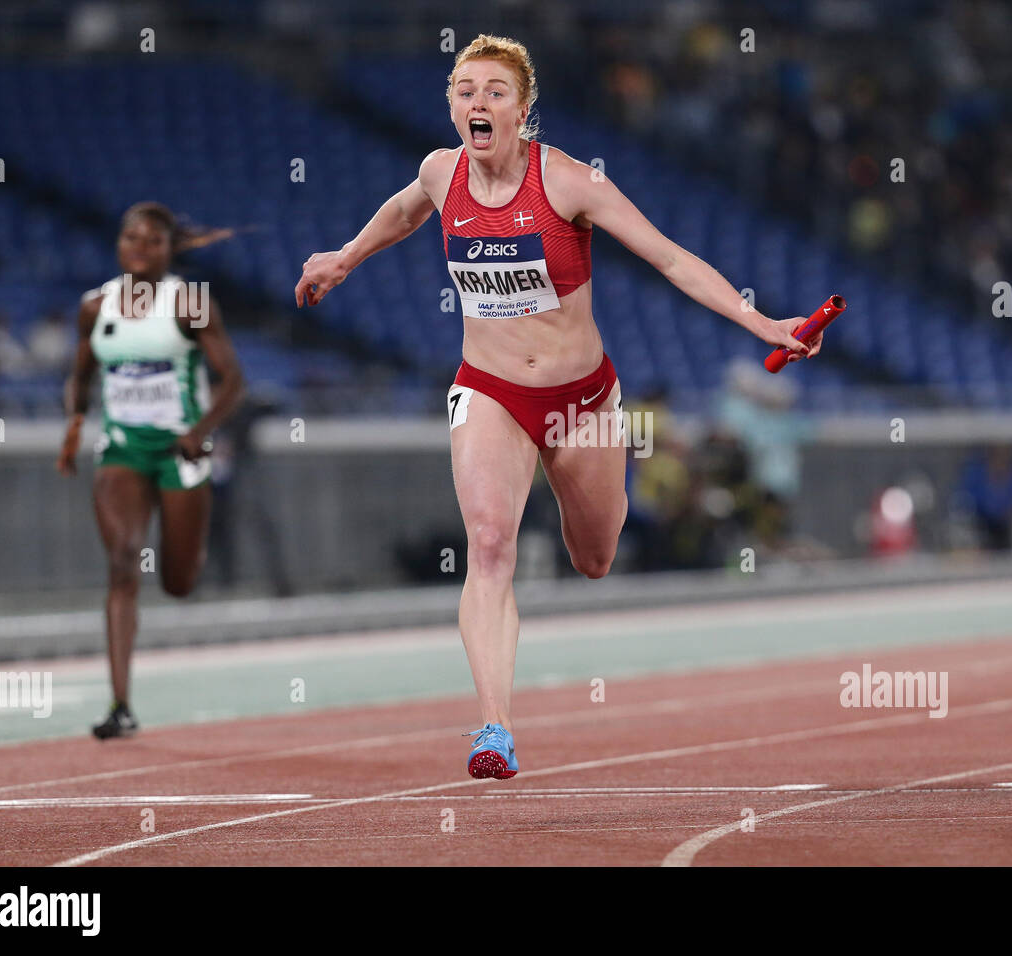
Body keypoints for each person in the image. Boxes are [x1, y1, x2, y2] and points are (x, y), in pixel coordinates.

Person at [295, 34, 822, 779]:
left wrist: (764, 323)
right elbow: (407, 209)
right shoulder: (440, 172)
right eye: (464, 90)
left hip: (582, 402)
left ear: (522, 109)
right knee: (489, 545)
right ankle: (494, 729)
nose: (477, 102)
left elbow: (670, 257)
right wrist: (345, 256)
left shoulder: (570, 183)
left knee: (595, 556)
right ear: (451, 104)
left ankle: (587, 540)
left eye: (494, 92)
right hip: (491, 392)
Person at [58, 202, 245, 738]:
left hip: (179, 451)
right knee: (121, 564)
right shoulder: (95, 306)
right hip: (122, 450)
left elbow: (232, 379)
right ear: (118, 244)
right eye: (130, 238)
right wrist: (74, 427)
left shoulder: (191, 304)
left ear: (170, 249)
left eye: (153, 241)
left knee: (179, 581)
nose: (139, 248)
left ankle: (187, 557)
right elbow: (80, 374)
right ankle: (121, 706)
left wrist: (198, 431)